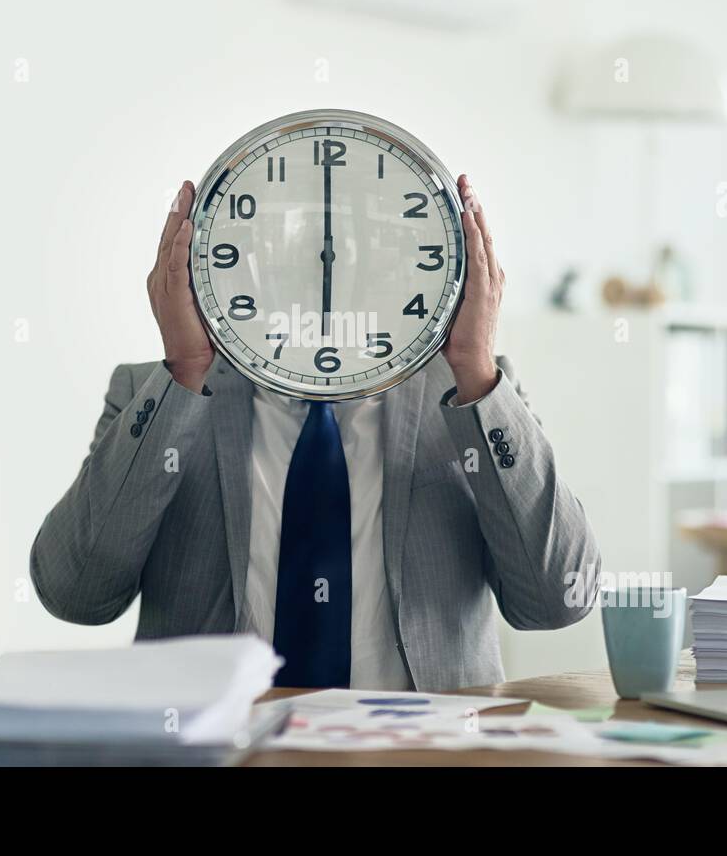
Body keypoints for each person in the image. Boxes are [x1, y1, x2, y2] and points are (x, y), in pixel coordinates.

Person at [30, 175, 600, 691]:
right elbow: (76, 593)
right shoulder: (153, 394)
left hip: (419, 754)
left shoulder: (471, 394)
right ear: (240, 265)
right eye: (287, 249)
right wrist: (181, 372)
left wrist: (476, 373)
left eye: (352, 251)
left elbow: (556, 601)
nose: (326, 266)